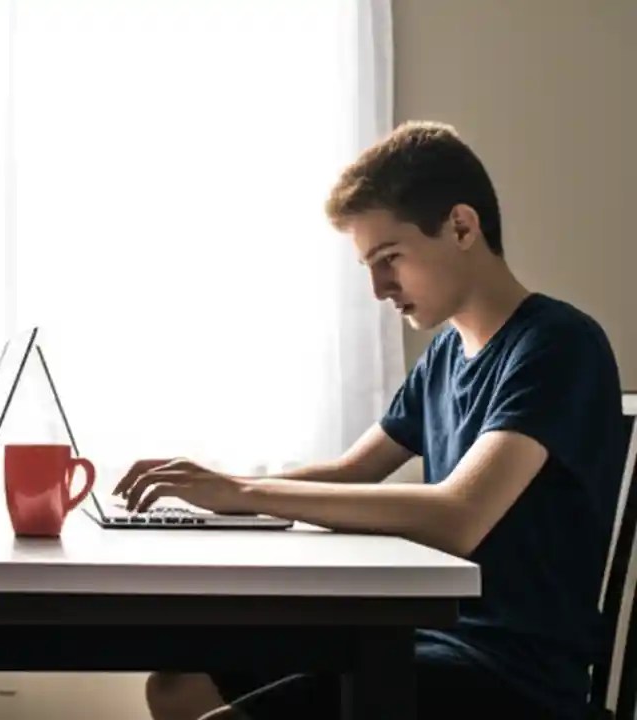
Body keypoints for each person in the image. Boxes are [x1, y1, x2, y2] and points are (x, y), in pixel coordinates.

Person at [126, 121, 625, 720]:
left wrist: (248, 491)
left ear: (461, 227)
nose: (379, 288)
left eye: (390, 258)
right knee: (179, 683)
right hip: (425, 640)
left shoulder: (557, 345)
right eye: (368, 264)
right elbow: (349, 471)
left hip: (511, 674)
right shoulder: (445, 354)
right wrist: (214, 492)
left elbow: (458, 517)